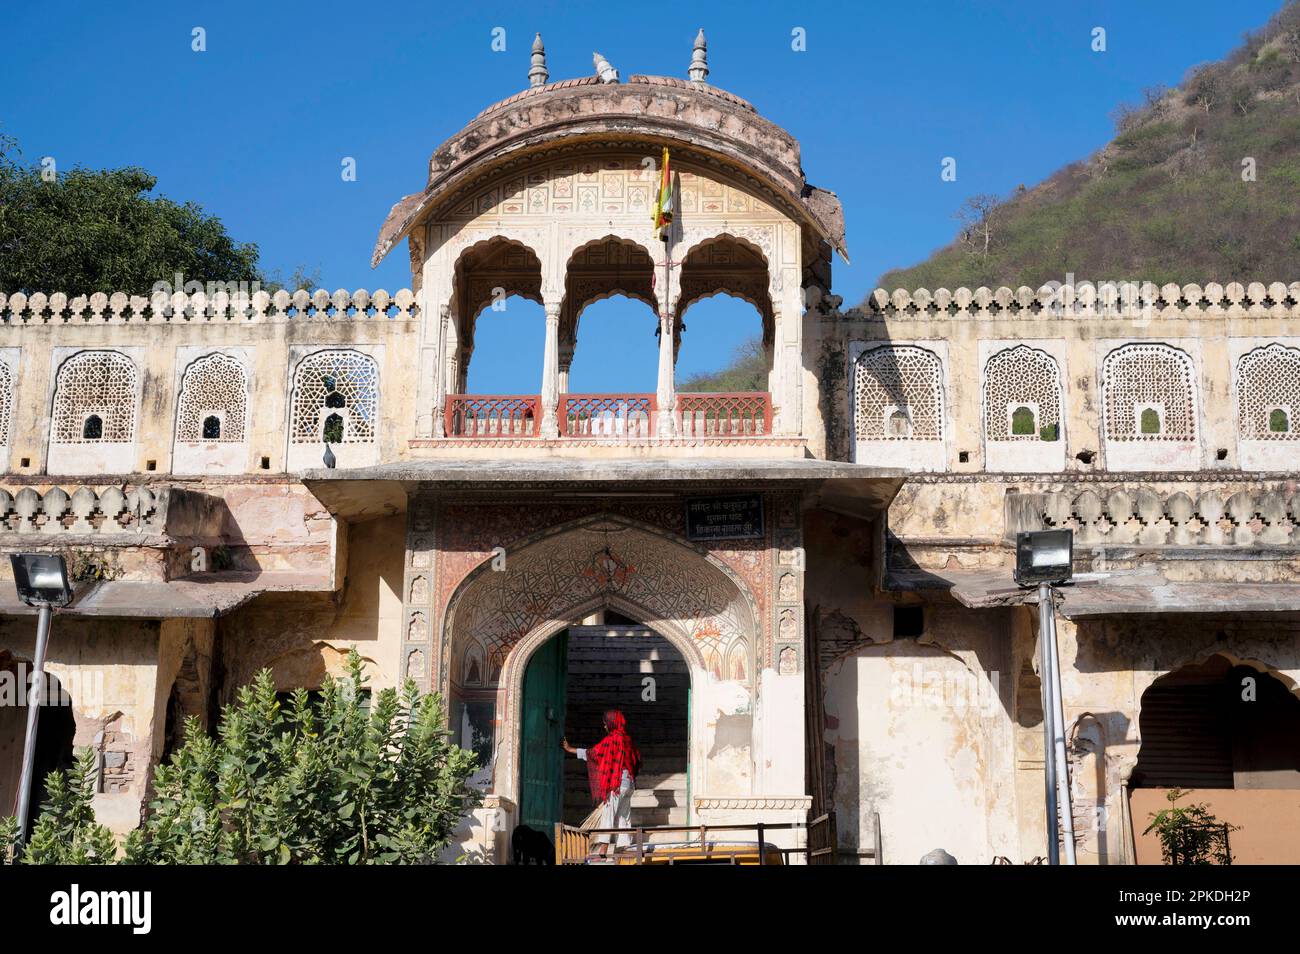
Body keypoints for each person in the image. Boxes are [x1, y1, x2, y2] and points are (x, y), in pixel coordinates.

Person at [561, 709, 641, 856]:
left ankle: (603, 849)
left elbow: (594, 753)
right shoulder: (627, 739)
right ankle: (624, 847)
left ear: (611, 723)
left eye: (605, 723)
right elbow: (636, 759)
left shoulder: (612, 739)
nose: (604, 726)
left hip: (617, 784)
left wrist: (570, 749)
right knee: (623, 816)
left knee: (608, 815)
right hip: (629, 785)